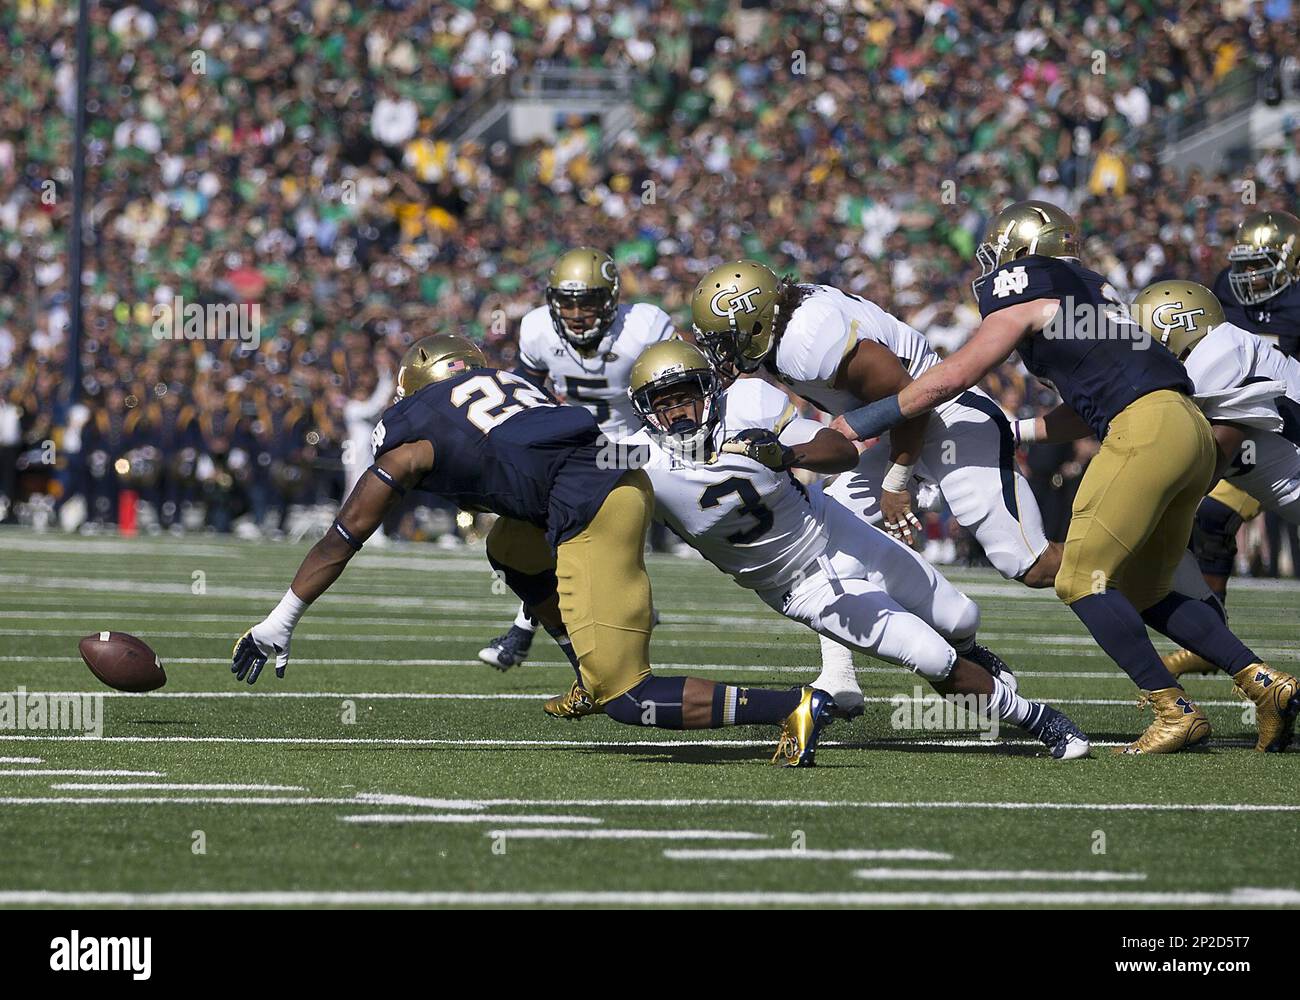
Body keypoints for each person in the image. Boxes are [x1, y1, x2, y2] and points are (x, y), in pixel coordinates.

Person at [231, 333, 837, 767]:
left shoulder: (413, 431)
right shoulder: (512, 384)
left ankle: (793, 704)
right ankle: (584, 669)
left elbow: (346, 533)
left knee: (628, 700)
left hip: (591, 506)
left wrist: (280, 619)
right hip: (605, 478)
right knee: (510, 546)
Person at [829, 201, 1297, 754]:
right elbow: (1090, 403)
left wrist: (861, 421)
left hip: (1147, 429)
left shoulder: (1028, 288)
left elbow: (951, 376)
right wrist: (1018, 431)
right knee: (1145, 588)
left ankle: (1173, 709)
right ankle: (1264, 683)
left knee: (1080, 577)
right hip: (1188, 427)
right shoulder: (1093, 295)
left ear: (1021, 254)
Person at [624, 341, 1089, 759]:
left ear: (709, 390)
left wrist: (788, 454)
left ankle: (974, 654)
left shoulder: (749, 402)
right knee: (932, 658)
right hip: (798, 587)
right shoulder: (640, 463)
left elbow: (840, 452)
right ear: (645, 413)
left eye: (685, 396)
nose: (678, 413)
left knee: (962, 618)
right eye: (662, 406)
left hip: (840, 530)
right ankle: (1040, 720)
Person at [477, 248, 674, 670]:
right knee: (548, 535)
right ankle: (527, 631)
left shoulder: (645, 327)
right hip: (580, 448)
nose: (577, 313)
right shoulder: (537, 330)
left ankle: (532, 631)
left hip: (644, 444)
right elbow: (523, 396)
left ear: (611, 299)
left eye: (587, 301)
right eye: (567, 301)